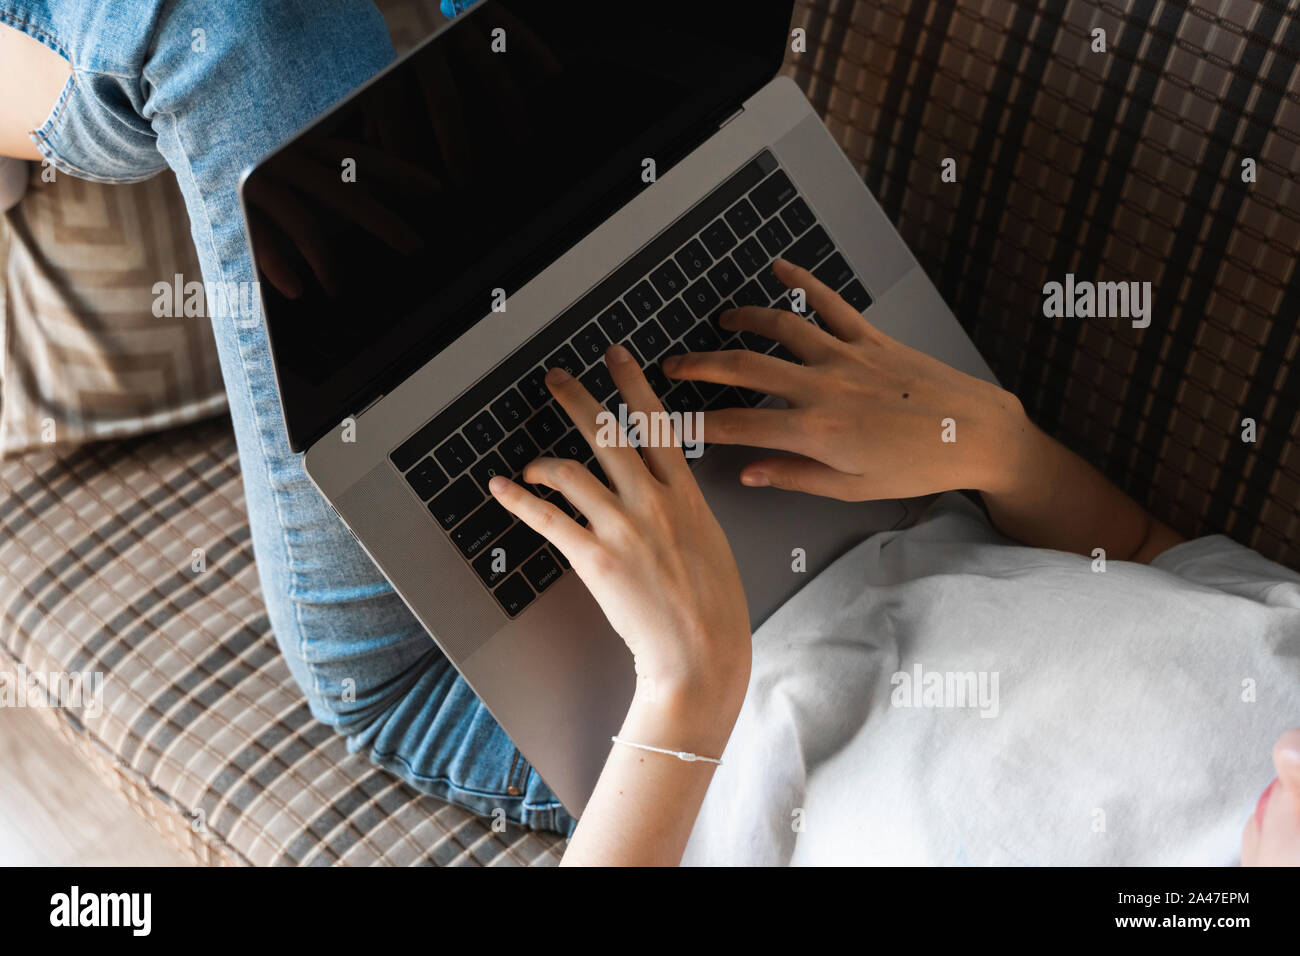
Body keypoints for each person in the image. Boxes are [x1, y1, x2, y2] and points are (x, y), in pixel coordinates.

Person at [2, 1, 1294, 866]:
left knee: (225, 20)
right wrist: (987, 442)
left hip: (580, 694)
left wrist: (687, 686)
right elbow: (1148, 546)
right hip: (872, 481)